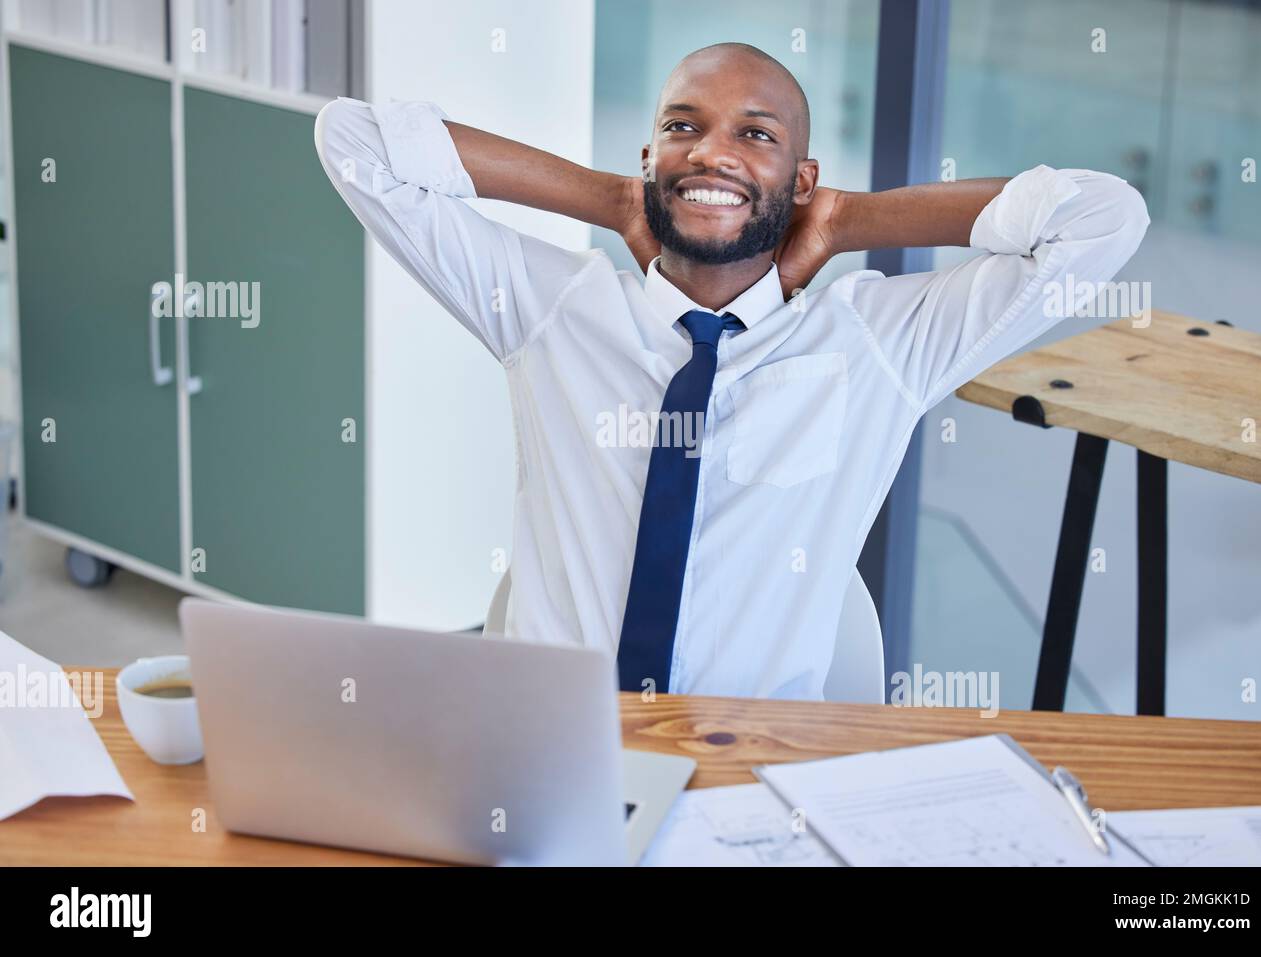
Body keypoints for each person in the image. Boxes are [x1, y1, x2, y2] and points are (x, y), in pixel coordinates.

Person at [314, 42, 1150, 700]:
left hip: (755, 770)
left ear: (803, 177)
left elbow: (1104, 219)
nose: (713, 154)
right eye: (684, 128)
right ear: (648, 158)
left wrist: (849, 222)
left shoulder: (876, 342)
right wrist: (610, 201)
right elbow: (353, 140)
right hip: (547, 752)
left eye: (756, 135)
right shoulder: (551, 310)